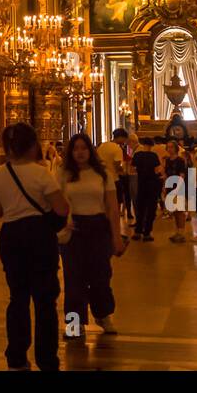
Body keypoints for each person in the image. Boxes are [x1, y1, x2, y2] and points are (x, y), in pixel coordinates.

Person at [0, 122, 70, 371]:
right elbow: (62, 208)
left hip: (11, 237)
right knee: (45, 301)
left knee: (18, 298)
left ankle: (16, 358)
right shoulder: (40, 173)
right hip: (39, 237)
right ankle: (46, 359)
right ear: (33, 145)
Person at [56, 133, 124, 336]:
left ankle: (103, 315)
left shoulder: (102, 174)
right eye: (75, 148)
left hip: (98, 227)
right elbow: (56, 202)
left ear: (90, 150)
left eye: (83, 148)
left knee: (100, 275)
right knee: (73, 278)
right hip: (74, 229)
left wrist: (116, 236)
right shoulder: (63, 173)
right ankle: (75, 323)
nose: (80, 152)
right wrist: (62, 224)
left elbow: (112, 207)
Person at [131, 136, 163, 241]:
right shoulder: (153, 156)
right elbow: (158, 170)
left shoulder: (137, 155)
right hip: (152, 184)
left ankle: (138, 231)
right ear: (151, 145)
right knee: (151, 209)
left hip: (141, 184)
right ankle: (147, 233)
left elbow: (133, 169)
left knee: (140, 208)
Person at [164, 140, 189, 242]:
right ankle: (177, 231)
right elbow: (166, 173)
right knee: (174, 211)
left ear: (176, 148)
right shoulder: (168, 160)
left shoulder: (180, 160)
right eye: (168, 147)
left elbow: (182, 175)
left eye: (171, 147)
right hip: (170, 187)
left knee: (180, 211)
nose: (169, 149)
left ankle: (181, 233)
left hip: (178, 188)